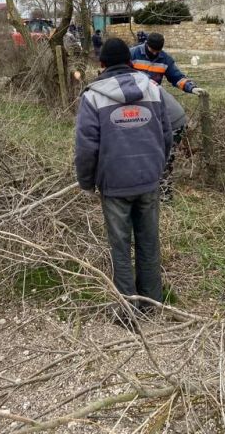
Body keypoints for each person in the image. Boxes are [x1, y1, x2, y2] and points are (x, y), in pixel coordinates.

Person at [75, 38, 172, 324]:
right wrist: (156, 168)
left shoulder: (92, 97)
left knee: (120, 246)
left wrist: (86, 182)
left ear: (102, 64)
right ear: (129, 62)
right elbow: (166, 136)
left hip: (114, 186)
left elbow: (85, 148)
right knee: (148, 241)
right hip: (148, 181)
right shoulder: (153, 90)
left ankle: (127, 311)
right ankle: (152, 302)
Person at [130, 32, 206, 198]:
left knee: (162, 154)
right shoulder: (133, 54)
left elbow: (177, 78)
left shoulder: (165, 60)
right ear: (146, 45)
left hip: (158, 109)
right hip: (141, 105)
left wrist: (191, 88)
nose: (155, 53)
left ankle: (161, 191)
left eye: (158, 51)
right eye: (152, 50)